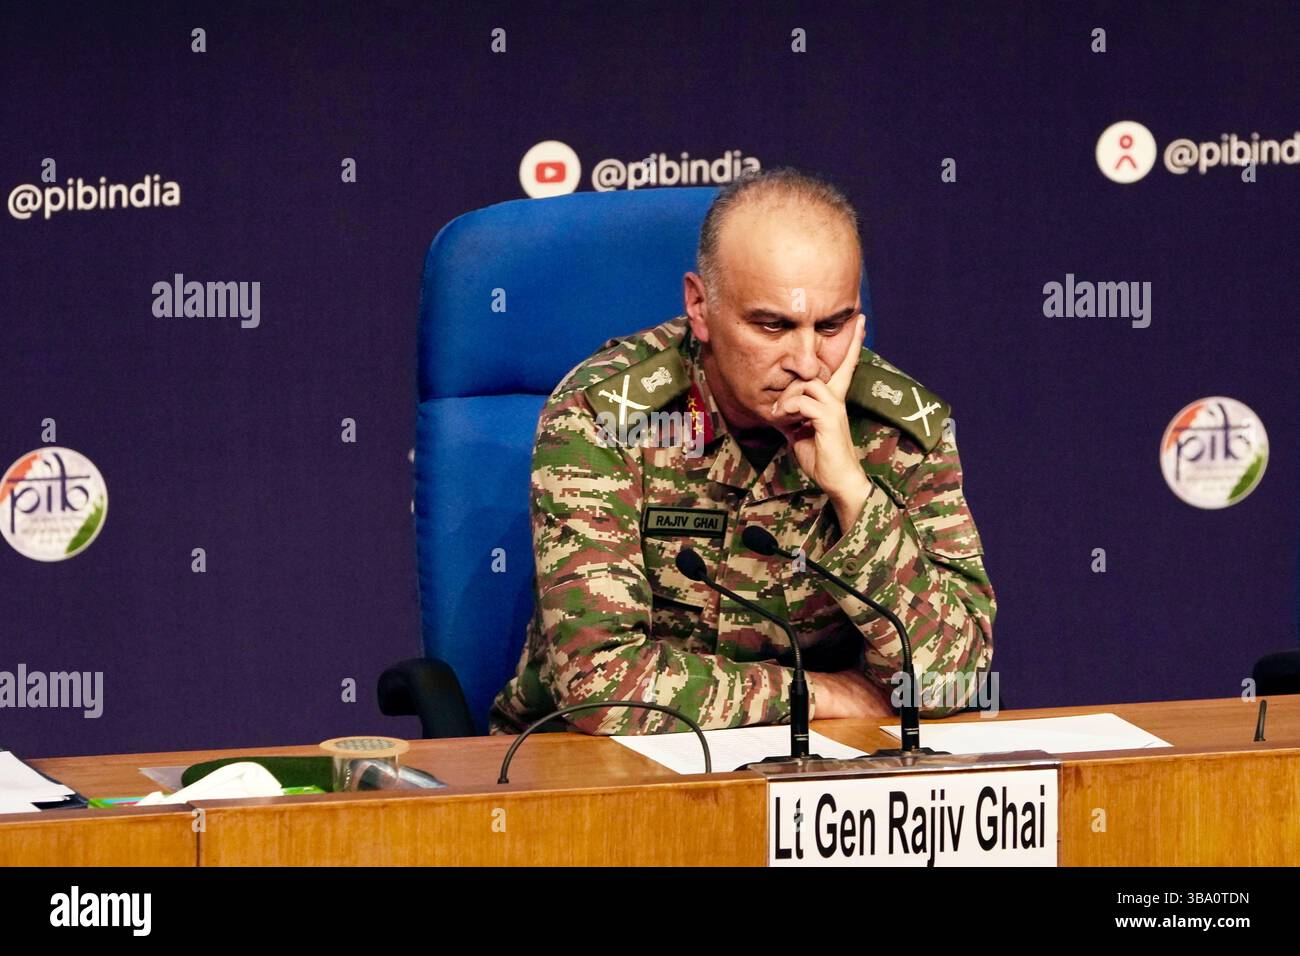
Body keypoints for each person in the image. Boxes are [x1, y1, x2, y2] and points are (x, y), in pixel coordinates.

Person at [490, 168, 995, 735]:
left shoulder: (896, 432)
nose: (807, 362)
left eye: (831, 326)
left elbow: (952, 679)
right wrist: (813, 694)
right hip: (596, 771)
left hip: (813, 776)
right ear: (700, 307)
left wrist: (855, 495)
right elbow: (600, 686)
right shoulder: (608, 415)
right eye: (773, 326)